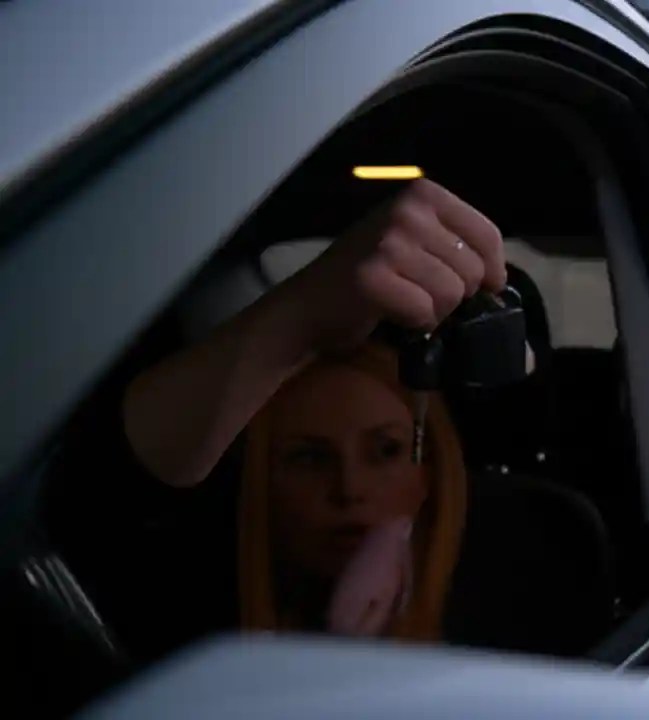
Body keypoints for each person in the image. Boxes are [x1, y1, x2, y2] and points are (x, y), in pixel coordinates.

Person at [54, 177, 509, 658]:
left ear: (431, 470)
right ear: (261, 479)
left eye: (386, 451)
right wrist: (304, 314)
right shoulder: (189, 620)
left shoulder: (509, 608)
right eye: (309, 459)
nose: (349, 489)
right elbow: (89, 496)